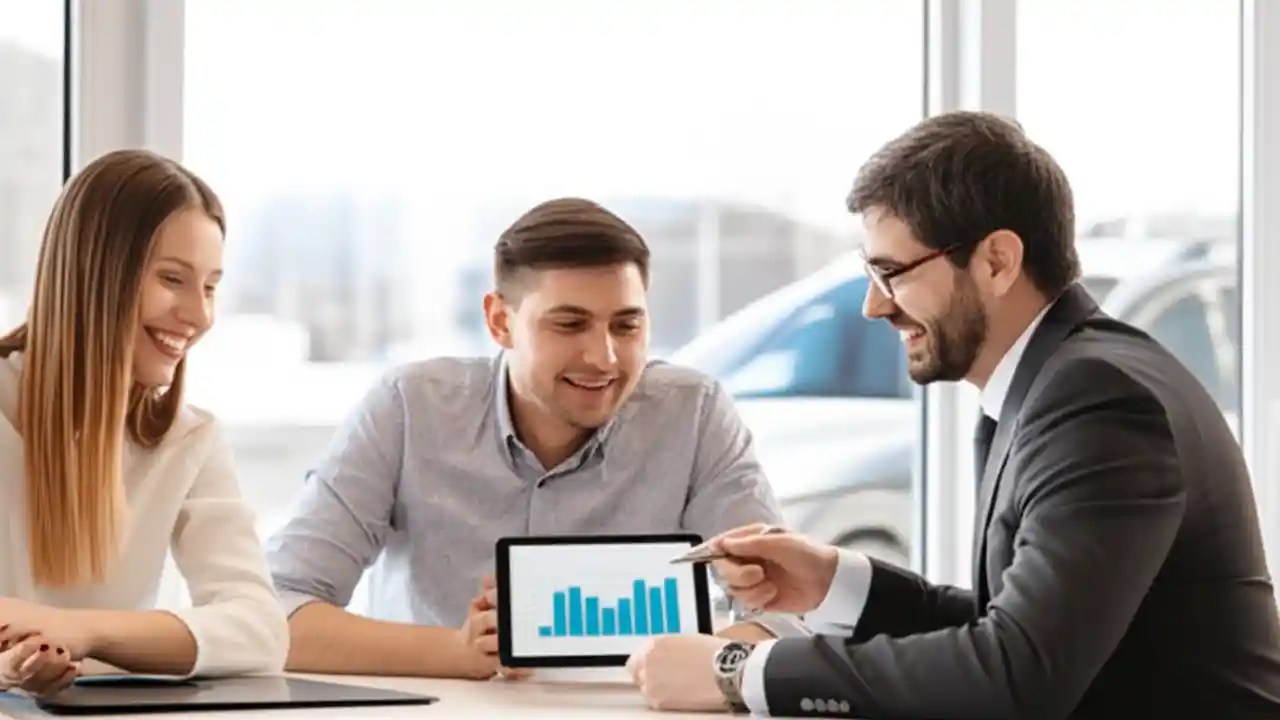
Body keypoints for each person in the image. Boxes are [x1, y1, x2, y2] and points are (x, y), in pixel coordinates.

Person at [627, 111, 1280, 718]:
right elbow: (1016, 629)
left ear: (997, 260)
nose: (874, 308)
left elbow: (1018, 673)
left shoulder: (1097, 399)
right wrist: (834, 581)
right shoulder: (1051, 383)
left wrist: (739, 669)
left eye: (893, 273)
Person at [266, 197, 790, 680]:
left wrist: (703, 661)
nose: (604, 358)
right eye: (569, 325)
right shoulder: (409, 407)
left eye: (626, 326)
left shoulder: (693, 414)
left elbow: (788, 617)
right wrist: (456, 652)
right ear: (500, 321)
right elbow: (272, 613)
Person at [0, 149, 289, 698]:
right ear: (94, 273)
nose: (200, 316)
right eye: (172, 279)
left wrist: (81, 630)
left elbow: (259, 630)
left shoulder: (189, 438)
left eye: (209, 286)